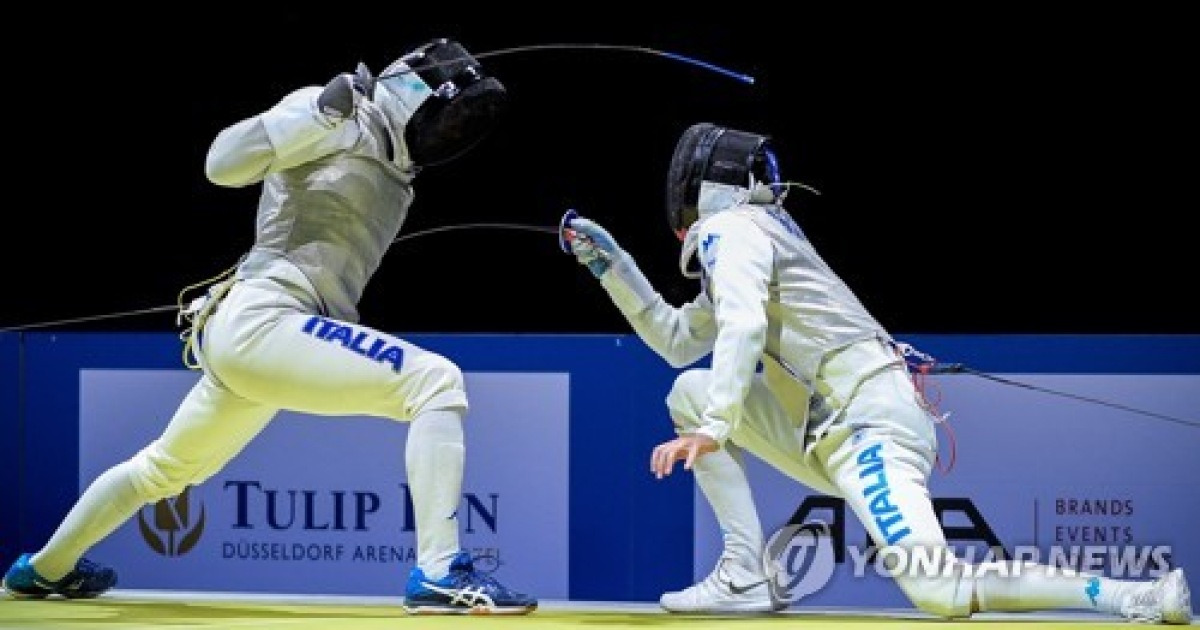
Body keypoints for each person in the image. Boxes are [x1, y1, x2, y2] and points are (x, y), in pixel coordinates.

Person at [560, 122, 1192, 624]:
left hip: (869, 428)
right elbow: (677, 341)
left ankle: (1133, 596)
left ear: (701, 185)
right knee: (689, 391)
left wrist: (719, 426)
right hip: (825, 431)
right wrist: (612, 267)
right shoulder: (758, 235)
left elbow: (745, 326)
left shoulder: (733, 229)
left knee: (940, 589)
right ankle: (744, 574)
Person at [2, 38, 537, 616]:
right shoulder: (335, 114)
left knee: (163, 468)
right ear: (411, 92)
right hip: (264, 318)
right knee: (435, 382)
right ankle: (438, 571)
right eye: (447, 114)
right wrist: (318, 114)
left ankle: (44, 570)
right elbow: (220, 165)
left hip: (271, 337)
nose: (450, 131)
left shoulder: (397, 161)